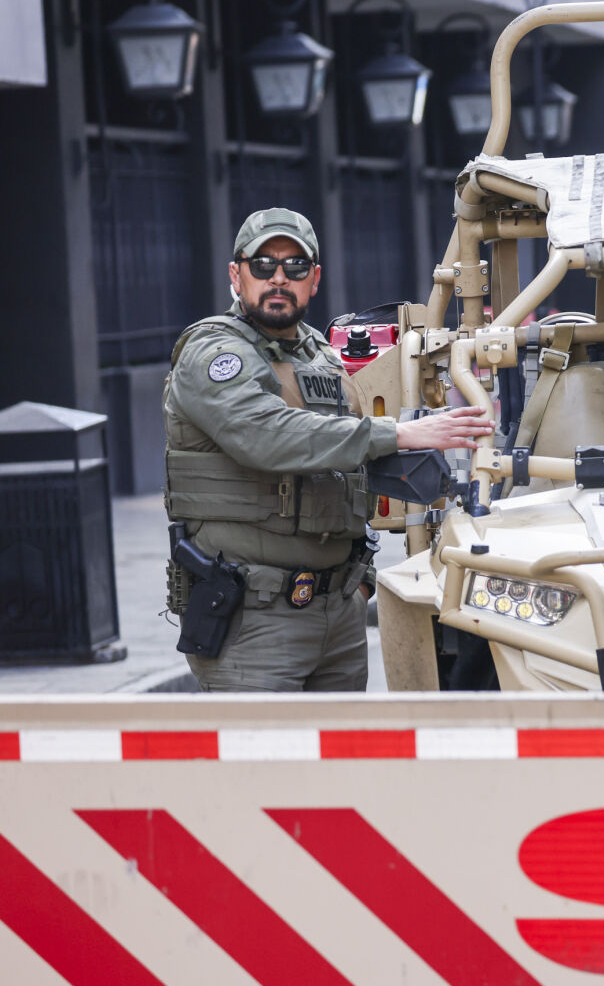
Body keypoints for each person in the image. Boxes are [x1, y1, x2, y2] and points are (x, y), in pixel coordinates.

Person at [162, 207, 495, 692]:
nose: (279, 278)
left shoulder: (320, 354)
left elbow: (348, 467)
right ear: (237, 275)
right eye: (263, 265)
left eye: (295, 267)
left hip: (338, 613)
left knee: (340, 764)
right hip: (254, 619)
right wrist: (399, 434)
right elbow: (269, 436)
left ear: (314, 279)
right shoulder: (215, 354)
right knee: (263, 765)